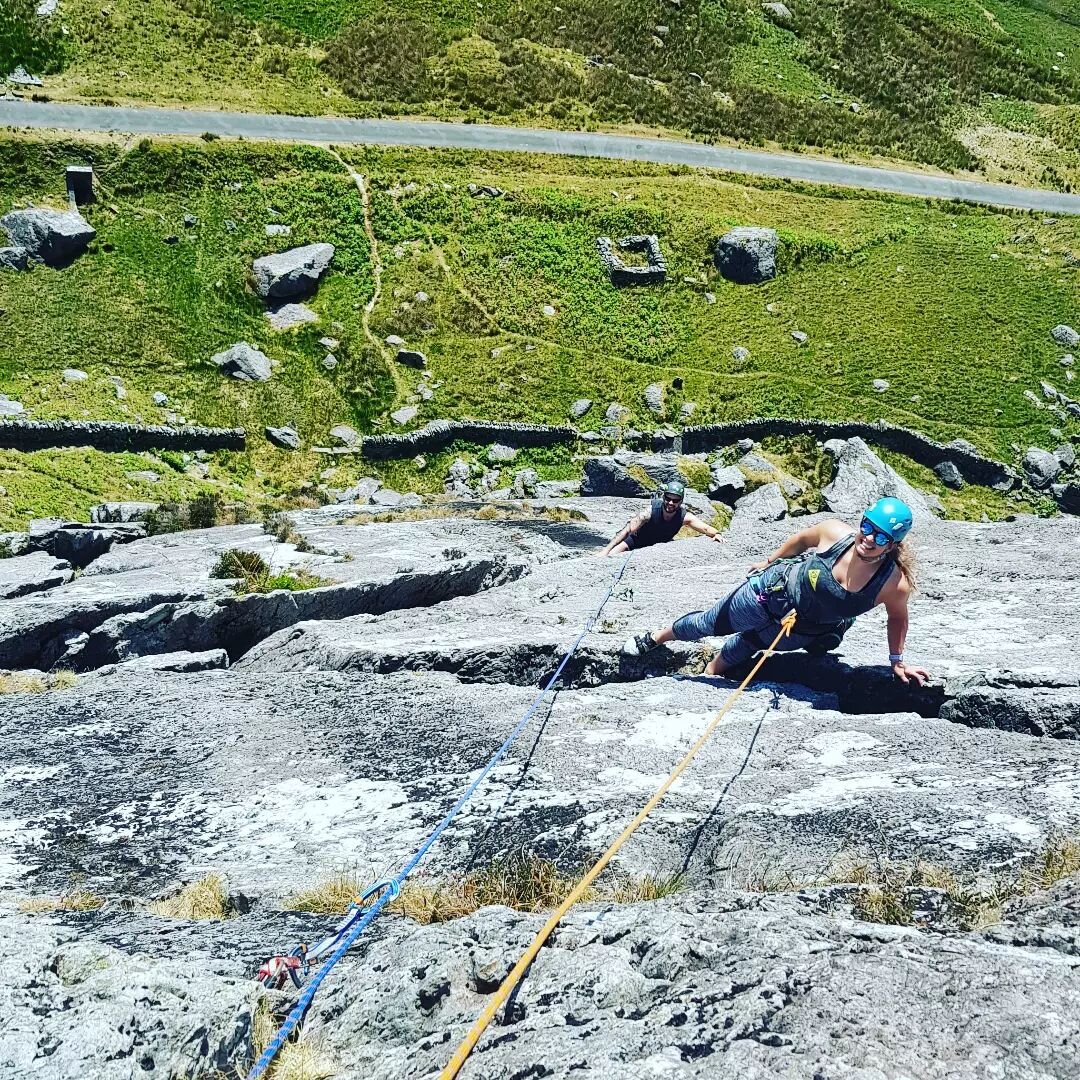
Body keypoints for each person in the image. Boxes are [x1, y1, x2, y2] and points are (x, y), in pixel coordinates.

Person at [621, 497, 931, 685]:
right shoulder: (835, 533)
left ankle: (711, 673)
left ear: (893, 544)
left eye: (880, 536)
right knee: (708, 625)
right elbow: (801, 540)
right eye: (867, 526)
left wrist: (897, 661)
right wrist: (768, 561)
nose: (868, 538)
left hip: (801, 629)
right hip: (770, 592)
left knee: (747, 645)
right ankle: (656, 638)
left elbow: (897, 619)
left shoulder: (893, 583)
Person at [602, 480, 723, 556]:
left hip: (660, 546)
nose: (670, 503)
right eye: (668, 499)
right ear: (663, 498)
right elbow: (628, 530)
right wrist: (605, 551)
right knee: (611, 556)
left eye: (675, 500)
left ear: (681, 501)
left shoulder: (684, 517)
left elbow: (706, 528)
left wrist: (717, 534)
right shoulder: (650, 512)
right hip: (635, 542)